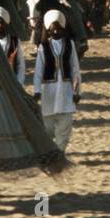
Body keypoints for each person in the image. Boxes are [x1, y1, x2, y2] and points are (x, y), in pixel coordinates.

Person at [33, 9, 81, 152]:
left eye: (58, 28)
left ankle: (60, 153)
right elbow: (38, 71)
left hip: (66, 91)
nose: (56, 31)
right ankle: (49, 151)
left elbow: (75, 69)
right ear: (48, 29)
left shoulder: (70, 44)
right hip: (49, 92)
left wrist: (77, 91)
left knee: (65, 125)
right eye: (53, 29)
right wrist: (37, 91)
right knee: (47, 127)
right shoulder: (43, 47)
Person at [0, 5, 26, 86]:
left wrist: (19, 83)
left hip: (12, 84)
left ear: (6, 24)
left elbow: (21, 65)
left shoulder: (15, 41)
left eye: (1, 22)